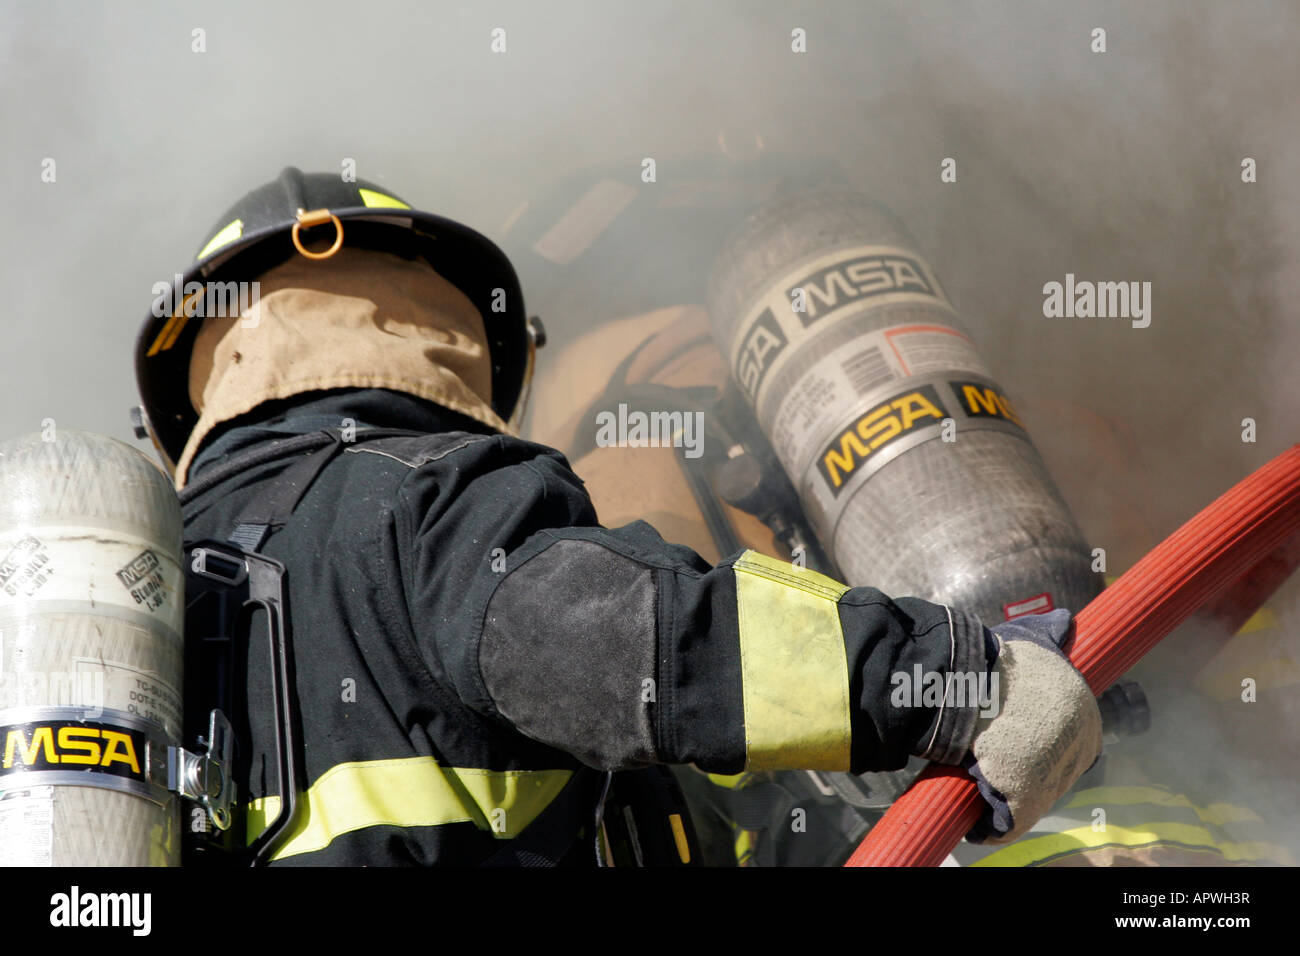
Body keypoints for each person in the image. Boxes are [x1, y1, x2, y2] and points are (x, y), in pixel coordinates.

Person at [133, 167, 1102, 866]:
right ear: (439, 323)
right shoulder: (424, 491)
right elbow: (620, 641)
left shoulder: (140, 591)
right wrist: (941, 676)